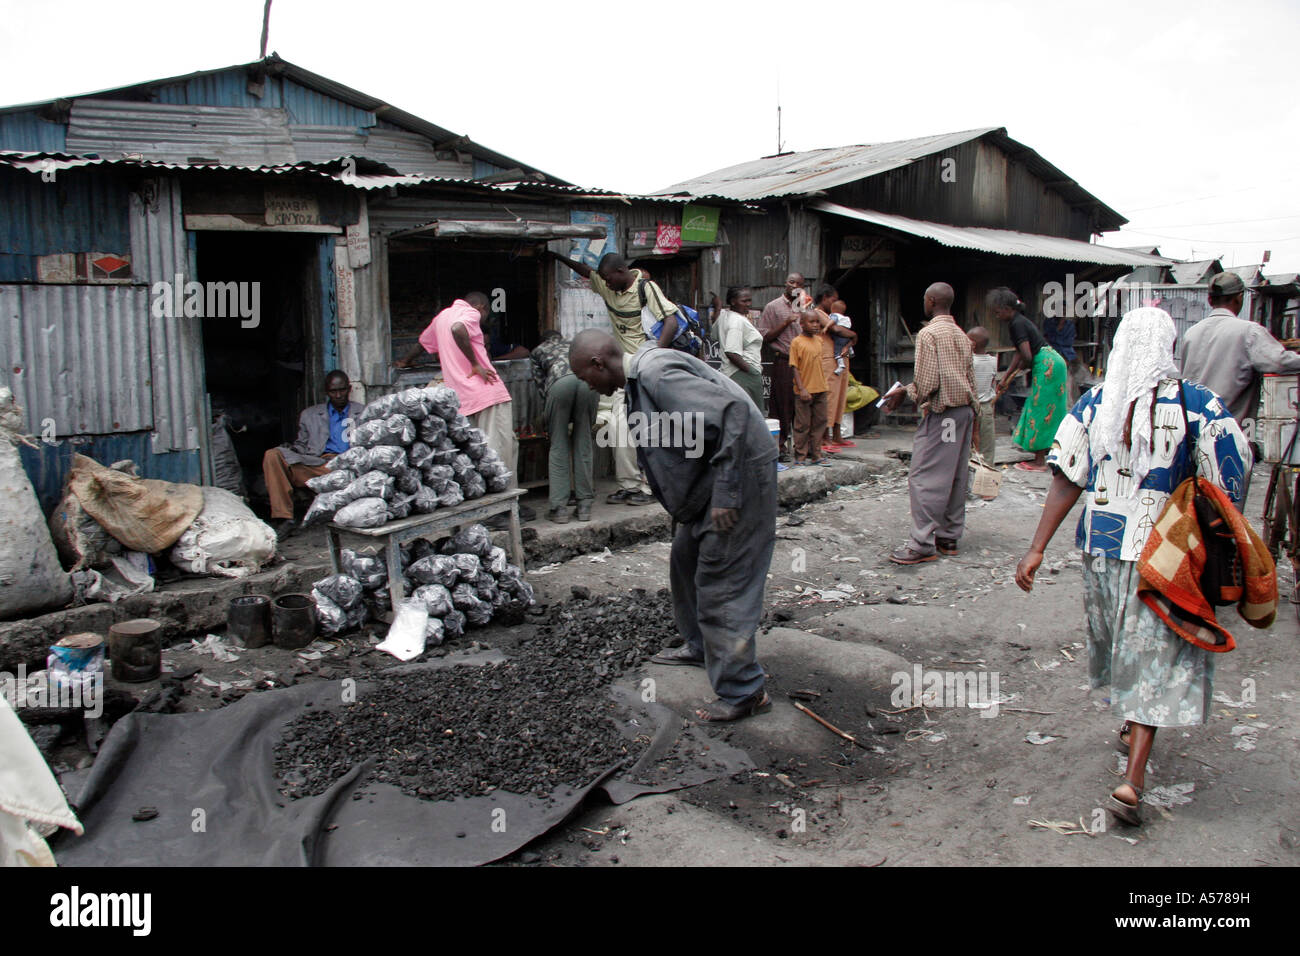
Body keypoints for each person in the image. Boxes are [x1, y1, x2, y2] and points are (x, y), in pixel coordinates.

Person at [1015, 307, 1252, 827]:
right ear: (1169, 347)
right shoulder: (1200, 405)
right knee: (1156, 652)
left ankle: (1133, 777)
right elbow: (1231, 477)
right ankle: (1135, 762)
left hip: (1102, 551)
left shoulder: (1094, 404)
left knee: (1130, 645)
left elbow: (1065, 477)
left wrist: (1037, 548)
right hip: (1169, 557)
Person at [569, 330, 777, 722]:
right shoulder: (635, 384)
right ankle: (701, 645)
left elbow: (731, 411)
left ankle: (744, 690)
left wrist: (727, 495)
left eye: (586, 378)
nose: (589, 387)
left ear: (599, 363)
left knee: (722, 580)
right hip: (707, 480)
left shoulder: (657, 374)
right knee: (685, 561)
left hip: (737, 475)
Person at [546, 250, 672, 505]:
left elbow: (671, 322)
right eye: (602, 279)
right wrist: (557, 255)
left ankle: (648, 487)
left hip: (645, 368)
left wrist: (654, 356)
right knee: (618, 428)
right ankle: (630, 485)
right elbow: (585, 271)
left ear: (621, 271)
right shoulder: (607, 288)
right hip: (621, 372)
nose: (604, 283)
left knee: (638, 428)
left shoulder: (646, 288)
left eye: (608, 278)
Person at [395, 291, 531, 520]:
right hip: (487, 393)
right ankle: (503, 508)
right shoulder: (469, 313)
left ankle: (485, 507)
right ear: (482, 308)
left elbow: (422, 343)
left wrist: (406, 361)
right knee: (501, 450)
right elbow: (458, 329)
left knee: (475, 454)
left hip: (463, 399)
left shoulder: (442, 317)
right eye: (486, 315)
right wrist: (476, 363)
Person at [1181, 270, 1300, 499]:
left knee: (1194, 509)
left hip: (1190, 437)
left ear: (1209, 300)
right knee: (1227, 515)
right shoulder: (1248, 331)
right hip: (1229, 438)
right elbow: (1278, 361)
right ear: (1239, 299)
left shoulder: (1191, 333)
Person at [881, 282, 977, 563]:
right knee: (954, 475)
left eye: (924, 298)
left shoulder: (929, 333)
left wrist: (904, 392)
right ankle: (948, 536)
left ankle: (922, 543)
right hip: (964, 413)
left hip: (944, 414)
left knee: (924, 476)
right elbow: (970, 378)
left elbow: (928, 383)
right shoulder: (961, 335)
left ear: (932, 300)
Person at [262, 369, 361, 538]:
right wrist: (289, 451)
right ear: (326, 392)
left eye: (342, 390)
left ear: (349, 389)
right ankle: (284, 518)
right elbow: (301, 445)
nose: (338, 395)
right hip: (318, 465)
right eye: (333, 391)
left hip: (347, 465)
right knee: (272, 455)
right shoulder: (310, 415)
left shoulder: (362, 412)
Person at [991, 287, 1070, 472]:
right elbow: (1020, 353)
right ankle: (1046, 455)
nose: (996, 316)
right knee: (1047, 407)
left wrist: (1015, 372)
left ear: (1006, 308)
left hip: (1048, 364)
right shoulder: (1018, 322)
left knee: (1041, 408)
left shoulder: (1016, 324)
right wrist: (1007, 377)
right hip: (1052, 360)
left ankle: (1039, 462)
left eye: (997, 312)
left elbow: (1026, 356)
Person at [531, 330, 597, 523]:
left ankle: (559, 509)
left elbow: (542, 388)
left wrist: (549, 417)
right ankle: (584, 504)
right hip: (589, 382)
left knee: (558, 445)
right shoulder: (576, 344)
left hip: (559, 384)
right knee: (583, 441)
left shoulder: (538, 351)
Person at [756, 273, 813, 461]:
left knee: (805, 404)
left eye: (799, 284)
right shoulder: (773, 307)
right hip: (784, 360)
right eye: (792, 282)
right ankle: (779, 447)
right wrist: (786, 322)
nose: (795, 286)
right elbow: (765, 336)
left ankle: (804, 448)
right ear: (785, 283)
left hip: (806, 362)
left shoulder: (805, 305)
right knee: (782, 404)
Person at [813, 289, 857, 449]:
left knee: (841, 396)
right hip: (828, 359)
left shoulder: (833, 315)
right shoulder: (818, 313)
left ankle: (837, 434)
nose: (835, 303)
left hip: (840, 358)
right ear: (825, 298)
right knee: (829, 397)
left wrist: (851, 337)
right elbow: (836, 330)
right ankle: (825, 438)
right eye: (833, 299)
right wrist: (853, 335)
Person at [710, 286, 766, 411]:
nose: (748, 304)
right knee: (754, 416)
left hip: (730, 373)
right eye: (744, 301)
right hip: (743, 373)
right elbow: (731, 352)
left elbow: (714, 333)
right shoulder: (737, 321)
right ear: (733, 301)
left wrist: (718, 308)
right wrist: (751, 371)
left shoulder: (725, 316)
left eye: (749, 300)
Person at [789, 310, 831, 467]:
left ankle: (816, 454)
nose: (815, 325)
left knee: (820, 422)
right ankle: (800, 455)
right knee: (802, 424)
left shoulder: (819, 340)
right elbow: (794, 367)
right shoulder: (797, 342)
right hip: (804, 390)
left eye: (817, 322)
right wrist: (802, 389)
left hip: (820, 387)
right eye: (811, 322)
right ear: (802, 324)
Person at [967, 326, 998, 461]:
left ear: (972, 344)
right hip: (986, 407)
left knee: (965, 444)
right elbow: (992, 383)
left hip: (968, 406)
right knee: (987, 447)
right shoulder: (993, 361)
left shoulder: (968, 361)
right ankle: (986, 476)